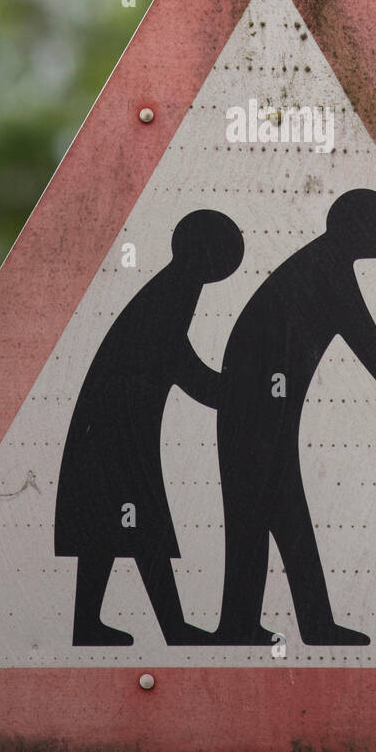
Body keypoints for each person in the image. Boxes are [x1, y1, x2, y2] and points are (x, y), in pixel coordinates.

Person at [212, 188, 376, 646]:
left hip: (260, 412)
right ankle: (253, 624)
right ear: (357, 228)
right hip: (255, 413)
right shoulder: (326, 272)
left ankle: (293, 624)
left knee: (281, 516)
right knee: (262, 518)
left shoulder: (320, 264)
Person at [54, 209, 244, 646]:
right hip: (115, 431)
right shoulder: (174, 290)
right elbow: (177, 360)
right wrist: (232, 394)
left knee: (119, 528)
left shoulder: (176, 285)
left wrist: (222, 391)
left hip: (117, 428)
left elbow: (173, 359)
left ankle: (101, 625)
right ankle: (163, 629)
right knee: (134, 526)